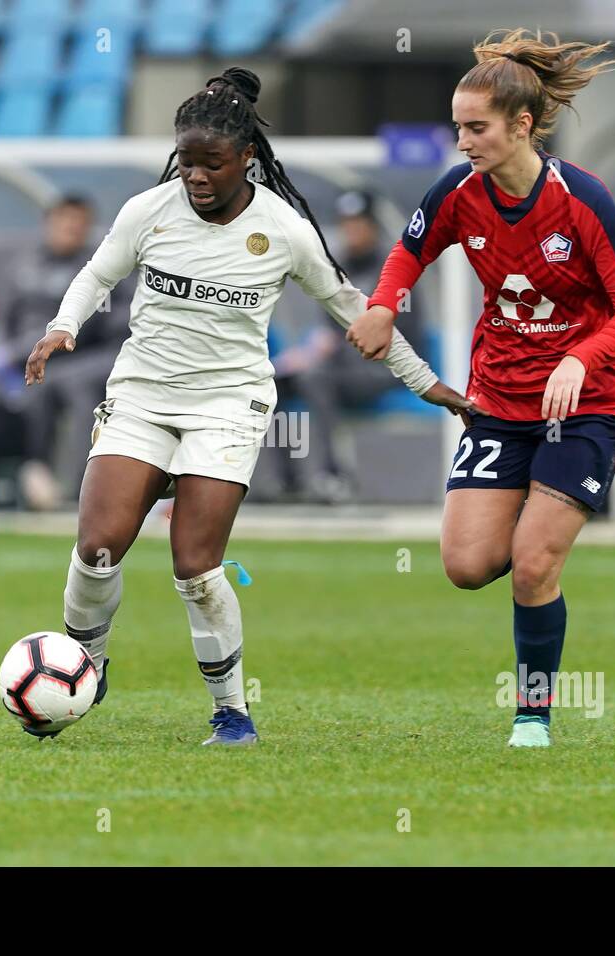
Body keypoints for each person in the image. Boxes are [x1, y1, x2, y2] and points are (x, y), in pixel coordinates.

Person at [25, 67, 469, 747]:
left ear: (247, 160)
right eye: (187, 162)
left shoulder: (283, 229)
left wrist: (424, 381)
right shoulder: (149, 211)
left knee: (195, 566)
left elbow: (355, 309)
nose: (196, 177)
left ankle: (231, 712)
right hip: (142, 395)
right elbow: (97, 274)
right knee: (97, 547)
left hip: (228, 405)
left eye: (212, 163)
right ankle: (87, 662)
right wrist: (64, 325)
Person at [348, 29, 615, 748]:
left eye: (476, 128)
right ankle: (542, 514)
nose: (463, 141)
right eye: (458, 127)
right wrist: (385, 305)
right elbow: (409, 250)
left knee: (533, 564)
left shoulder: (584, 202)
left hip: (588, 405)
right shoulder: (459, 190)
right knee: (466, 565)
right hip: (499, 404)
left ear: (521, 126)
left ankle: (532, 715)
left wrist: (580, 358)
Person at [272, 189, 428, 500]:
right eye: (347, 223)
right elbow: (328, 330)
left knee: (316, 378)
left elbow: (401, 336)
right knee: (278, 382)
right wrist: (308, 353)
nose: (352, 231)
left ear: (373, 226)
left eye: (359, 223)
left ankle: (334, 476)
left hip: (386, 369)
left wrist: (328, 351)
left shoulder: (394, 268)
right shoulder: (336, 265)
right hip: (342, 365)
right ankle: (289, 484)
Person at [0, 195, 132, 508]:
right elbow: (2, 318)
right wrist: (0, 355)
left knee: (68, 385)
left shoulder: (98, 267)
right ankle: (13, 479)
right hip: (27, 357)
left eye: (78, 224)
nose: (70, 229)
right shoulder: (22, 266)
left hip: (81, 355)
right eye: (64, 222)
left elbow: (95, 326)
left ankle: (77, 488)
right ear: (49, 223)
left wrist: (21, 352)